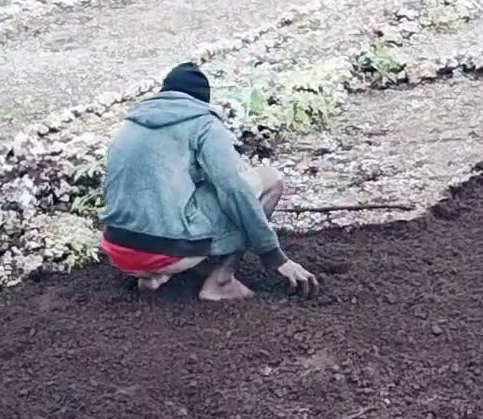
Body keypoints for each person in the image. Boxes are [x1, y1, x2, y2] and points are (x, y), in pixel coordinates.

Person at [98, 62, 319, 301]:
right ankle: (221, 281)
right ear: (201, 101)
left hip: (118, 250)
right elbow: (234, 188)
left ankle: (153, 277)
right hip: (165, 254)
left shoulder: (131, 123)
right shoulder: (203, 123)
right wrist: (274, 255)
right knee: (268, 179)